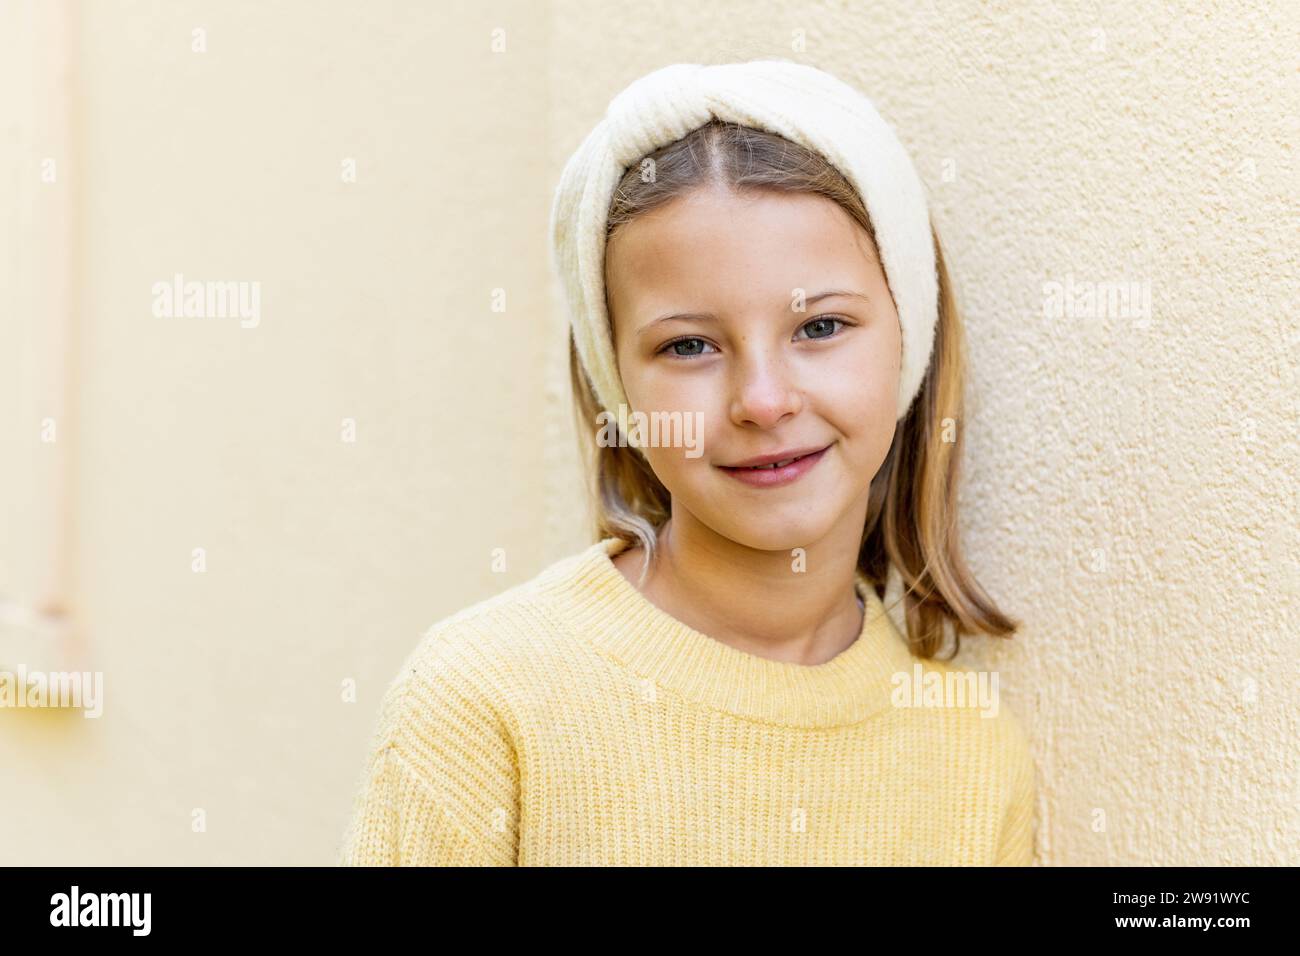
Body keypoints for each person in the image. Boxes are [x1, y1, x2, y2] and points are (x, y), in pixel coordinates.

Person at [339, 59, 1037, 866]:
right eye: (690, 345)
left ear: (909, 339)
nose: (763, 400)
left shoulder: (973, 751)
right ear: (617, 388)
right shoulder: (483, 699)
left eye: (820, 329)